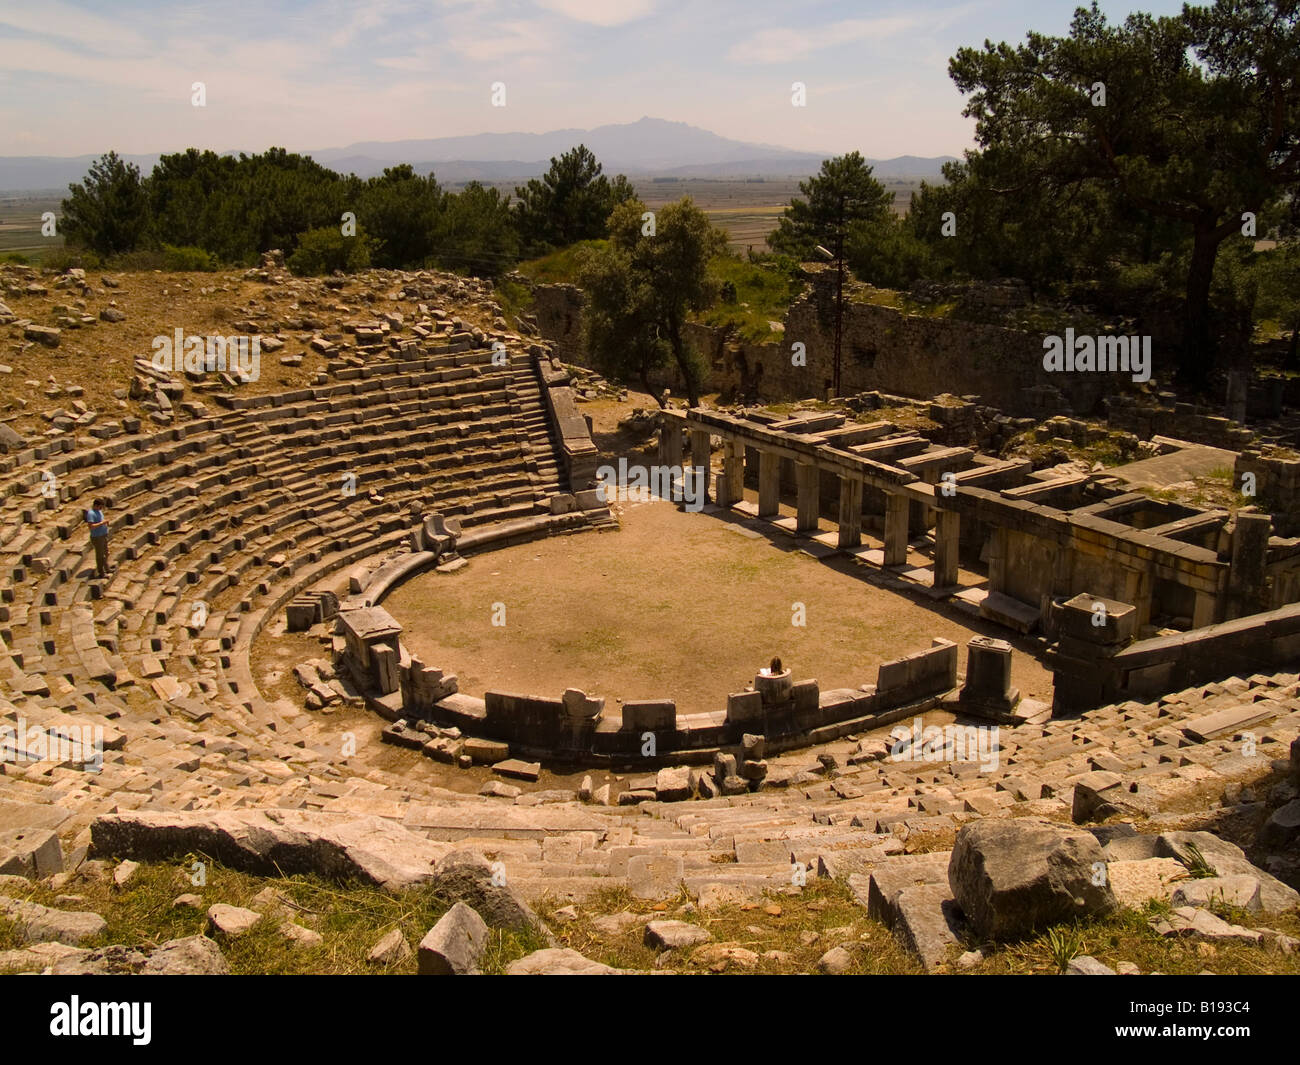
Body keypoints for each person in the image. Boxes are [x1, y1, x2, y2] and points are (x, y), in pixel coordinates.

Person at [84, 498, 111, 577]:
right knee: (100, 555)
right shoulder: (91, 513)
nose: (101, 509)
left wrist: (105, 523)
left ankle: (107, 568)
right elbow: (91, 526)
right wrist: (102, 523)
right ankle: (101, 572)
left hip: (103, 535)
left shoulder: (99, 511)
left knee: (106, 553)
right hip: (97, 537)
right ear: (95, 505)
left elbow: (100, 520)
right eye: (100, 507)